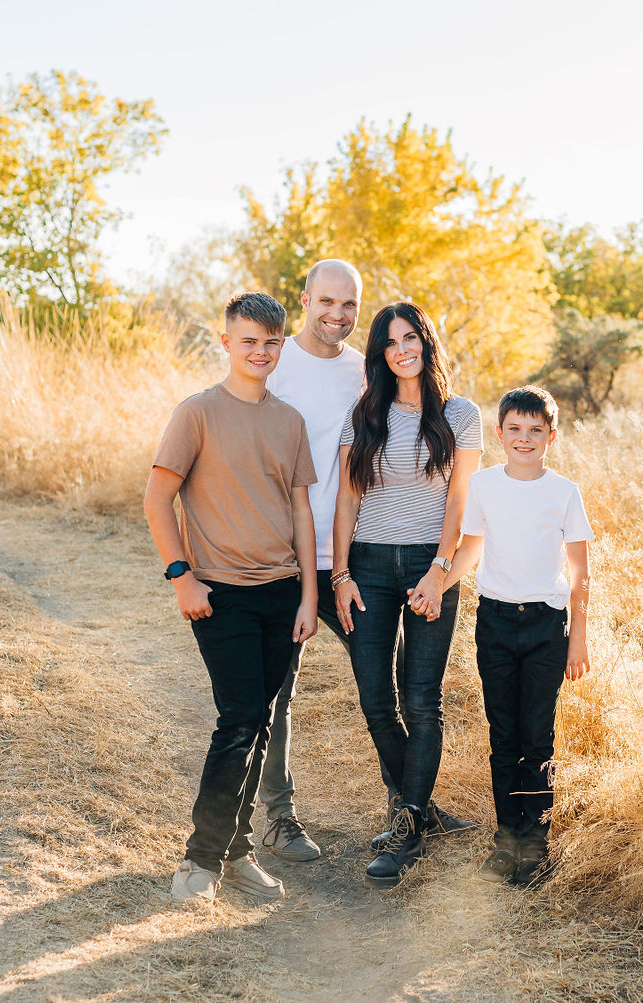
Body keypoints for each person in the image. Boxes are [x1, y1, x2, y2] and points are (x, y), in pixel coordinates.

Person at [144, 291, 319, 903]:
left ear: (281, 346)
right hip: (220, 593)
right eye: (249, 341)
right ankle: (199, 861)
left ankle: (237, 852)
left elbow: (301, 511)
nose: (260, 352)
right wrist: (181, 576)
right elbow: (156, 498)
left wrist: (309, 595)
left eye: (271, 342)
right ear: (226, 343)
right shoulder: (196, 414)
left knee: (261, 723)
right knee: (239, 718)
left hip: (283, 593)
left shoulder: (289, 421)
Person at [332, 301, 482, 887]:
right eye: (391, 342)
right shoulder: (364, 414)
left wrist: (439, 572)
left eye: (411, 337)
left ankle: (407, 828)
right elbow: (348, 499)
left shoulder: (460, 415)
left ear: (427, 342)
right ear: (380, 353)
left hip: (428, 563)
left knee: (421, 700)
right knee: (375, 699)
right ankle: (418, 810)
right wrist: (341, 574)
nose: (402, 349)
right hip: (368, 564)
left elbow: (460, 499)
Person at [442, 385, 593, 886]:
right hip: (497, 623)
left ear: (551, 436)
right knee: (504, 736)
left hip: (547, 627)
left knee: (537, 737)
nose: (524, 438)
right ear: (500, 433)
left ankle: (535, 844)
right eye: (514, 429)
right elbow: (470, 548)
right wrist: (437, 583)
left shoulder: (564, 492)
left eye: (535, 430)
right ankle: (506, 841)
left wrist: (578, 639)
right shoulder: (484, 486)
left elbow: (580, 573)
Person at [255, 258, 366, 864]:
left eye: (349, 304)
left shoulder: (365, 372)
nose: (337, 315)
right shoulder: (274, 363)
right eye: (326, 301)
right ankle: (278, 818)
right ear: (304, 301)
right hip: (282, 556)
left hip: (349, 558)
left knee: (389, 679)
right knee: (276, 693)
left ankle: (410, 807)